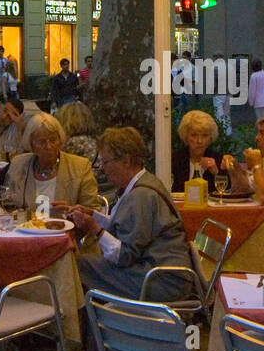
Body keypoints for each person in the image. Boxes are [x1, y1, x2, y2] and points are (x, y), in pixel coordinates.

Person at [67, 127, 194, 302]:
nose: (102, 169)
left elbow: (123, 256)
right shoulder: (146, 182)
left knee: (75, 267)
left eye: (105, 162)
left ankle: (83, 327)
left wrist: (94, 229)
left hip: (161, 281)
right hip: (167, 273)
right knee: (85, 264)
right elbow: (126, 227)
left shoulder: (141, 195)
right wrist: (93, 216)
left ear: (126, 161)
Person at [3, 113, 101, 211]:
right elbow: (8, 202)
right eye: (42, 142)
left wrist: (71, 210)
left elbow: (94, 211)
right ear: (31, 145)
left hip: (65, 224)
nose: (49, 146)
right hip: (26, 225)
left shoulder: (80, 167)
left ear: (60, 140)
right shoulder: (19, 164)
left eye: (53, 140)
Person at [172, 109, 222, 193]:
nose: (199, 141)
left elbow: (227, 191)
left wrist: (216, 173)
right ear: (186, 136)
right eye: (194, 135)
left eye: (204, 135)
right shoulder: (175, 160)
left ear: (211, 138)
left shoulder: (218, 160)